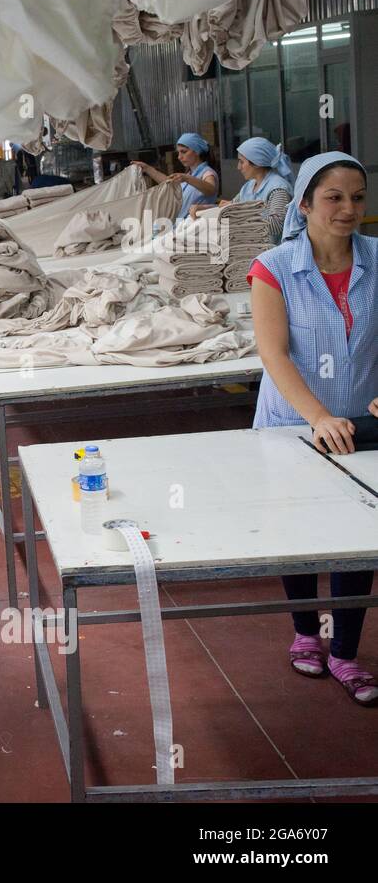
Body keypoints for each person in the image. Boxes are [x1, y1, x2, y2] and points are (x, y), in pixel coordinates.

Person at [248, 150, 376, 706]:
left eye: (357, 197)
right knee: (297, 534)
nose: (348, 209)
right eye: (334, 197)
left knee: (358, 539)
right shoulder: (274, 267)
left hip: (362, 426)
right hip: (292, 423)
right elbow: (274, 354)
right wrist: (317, 416)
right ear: (304, 205)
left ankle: (346, 651)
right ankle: (306, 632)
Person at [193, 137, 294, 243]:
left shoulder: (278, 189)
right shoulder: (249, 187)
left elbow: (277, 225)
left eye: (241, 162)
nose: (238, 167)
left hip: (270, 253)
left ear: (256, 163)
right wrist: (204, 209)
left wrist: (241, 212)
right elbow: (231, 207)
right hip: (250, 247)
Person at [132, 132, 219, 219]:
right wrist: (147, 168)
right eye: (178, 153)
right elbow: (169, 183)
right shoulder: (190, 174)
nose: (179, 157)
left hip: (197, 225)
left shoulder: (207, 173)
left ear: (197, 151)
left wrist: (187, 178)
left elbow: (211, 189)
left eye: (183, 152)